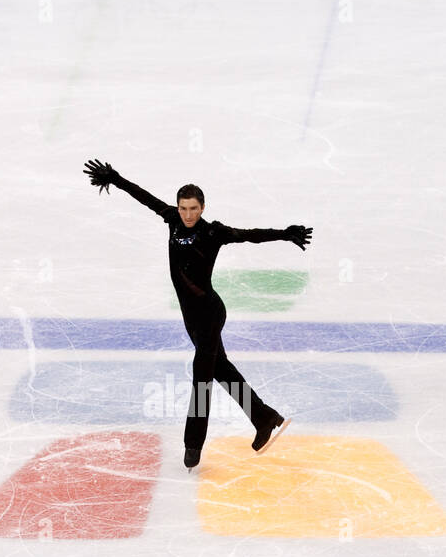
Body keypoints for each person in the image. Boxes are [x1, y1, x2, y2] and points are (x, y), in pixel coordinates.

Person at [83, 158, 312, 470]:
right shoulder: (172, 220)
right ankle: (264, 417)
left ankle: (193, 445)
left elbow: (250, 234)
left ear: (202, 207)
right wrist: (117, 178)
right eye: (183, 208)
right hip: (191, 318)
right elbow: (144, 197)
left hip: (209, 314)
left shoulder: (213, 232)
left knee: (201, 380)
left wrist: (285, 234)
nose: (187, 214)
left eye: (193, 208)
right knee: (222, 371)